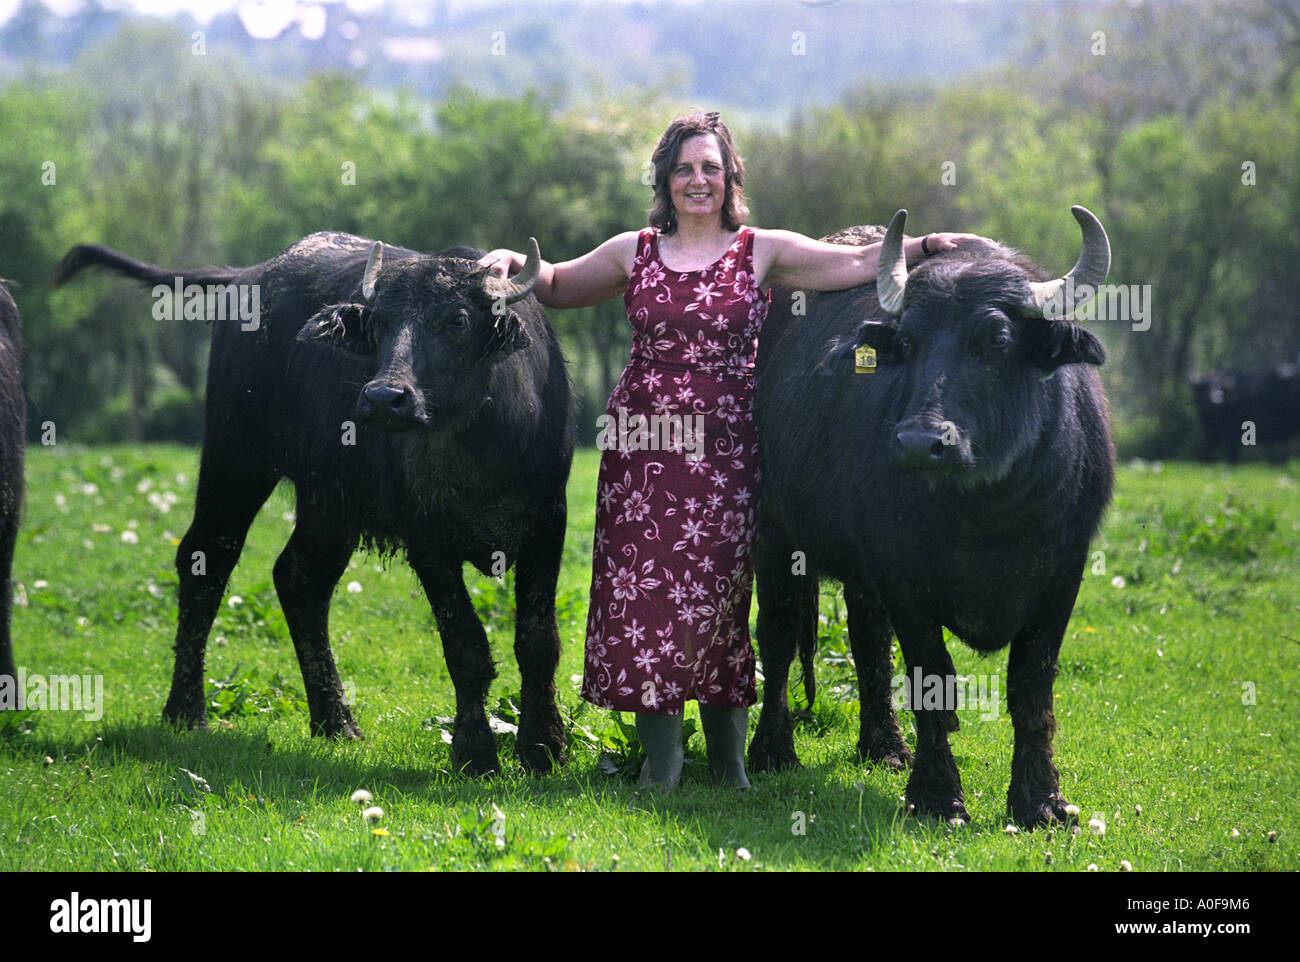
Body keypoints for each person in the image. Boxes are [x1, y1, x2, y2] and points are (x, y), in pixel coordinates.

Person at [479, 110, 987, 791]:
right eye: (685, 169)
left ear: (730, 177)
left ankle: (731, 766)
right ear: (665, 179)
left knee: (719, 604)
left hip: (725, 451)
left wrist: (923, 245)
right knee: (646, 603)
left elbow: (858, 263)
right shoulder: (635, 251)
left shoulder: (761, 249)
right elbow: (562, 285)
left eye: (710, 168)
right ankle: (662, 764)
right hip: (642, 453)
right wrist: (513, 260)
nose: (698, 181)